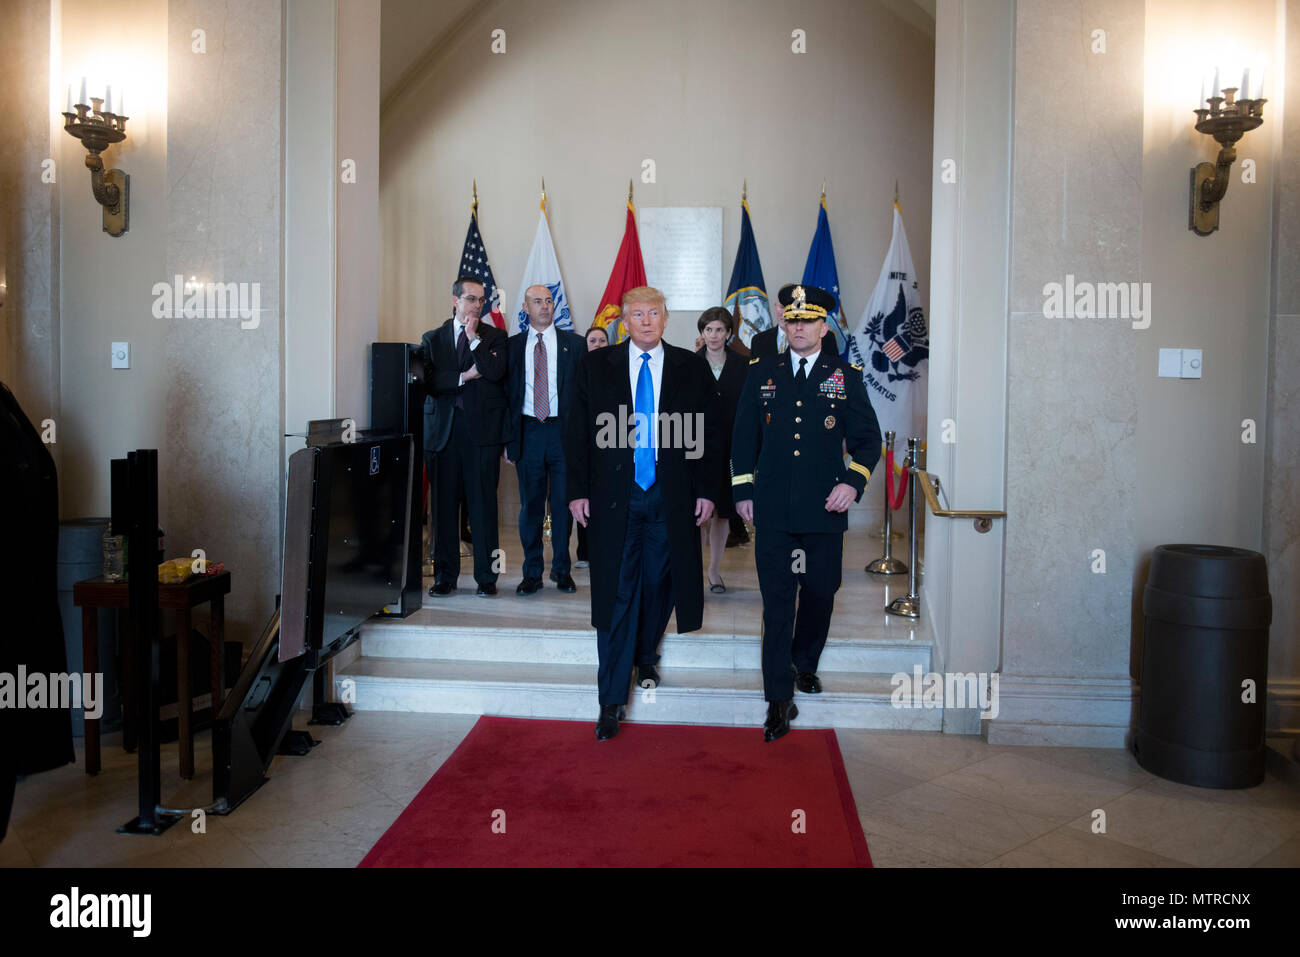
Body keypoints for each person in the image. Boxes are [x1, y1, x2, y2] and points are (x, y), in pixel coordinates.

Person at [565, 286, 719, 740]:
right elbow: (576, 433)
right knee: (616, 592)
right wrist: (577, 491)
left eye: (654, 313)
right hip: (616, 497)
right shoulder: (596, 364)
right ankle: (610, 700)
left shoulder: (691, 368)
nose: (647, 321)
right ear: (624, 321)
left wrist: (708, 490)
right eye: (637, 314)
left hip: (671, 497)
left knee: (660, 582)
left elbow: (710, 433)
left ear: (667, 319)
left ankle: (645, 653)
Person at [731, 283, 882, 741]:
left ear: (823, 325)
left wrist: (852, 483)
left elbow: (868, 442)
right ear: (784, 323)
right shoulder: (762, 373)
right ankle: (778, 699)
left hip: (824, 510)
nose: (799, 327)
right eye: (792, 320)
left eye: (808, 320)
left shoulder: (846, 374)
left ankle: (804, 662)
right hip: (774, 510)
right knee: (777, 604)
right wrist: (743, 491)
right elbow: (742, 438)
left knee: (820, 593)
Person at [421, 276, 509, 596]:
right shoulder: (432, 338)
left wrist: (473, 340)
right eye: (471, 299)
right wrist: (464, 375)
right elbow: (429, 382)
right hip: (443, 436)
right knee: (443, 509)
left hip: (481, 436)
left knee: (483, 506)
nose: (477, 305)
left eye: (481, 300)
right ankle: (445, 577)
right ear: (455, 300)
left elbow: (496, 373)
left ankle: (487, 578)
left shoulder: (495, 337)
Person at [505, 285, 585, 595]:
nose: (544, 306)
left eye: (549, 301)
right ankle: (532, 572)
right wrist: (508, 442)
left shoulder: (574, 345)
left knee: (564, 505)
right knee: (531, 506)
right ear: (525, 307)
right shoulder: (513, 346)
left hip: (563, 432)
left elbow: (583, 396)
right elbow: (506, 396)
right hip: (528, 431)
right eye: (537, 301)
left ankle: (562, 570)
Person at [695, 306, 748, 593]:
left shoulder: (743, 365)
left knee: (723, 512)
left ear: (729, 333)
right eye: (708, 330)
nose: (713, 335)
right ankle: (696, 569)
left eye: (719, 330)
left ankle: (714, 571)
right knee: (700, 512)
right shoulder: (690, 363)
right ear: (701, 333)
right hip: (698, 449)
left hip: (731, 447)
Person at [574, 324, 609, 569]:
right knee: (583, 498)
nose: (597, 345)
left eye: (602, 341)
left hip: (611, 442)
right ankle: (584, 553)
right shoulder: (579, 371)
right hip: (586, 443)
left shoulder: (618, 369)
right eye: (593, 341)